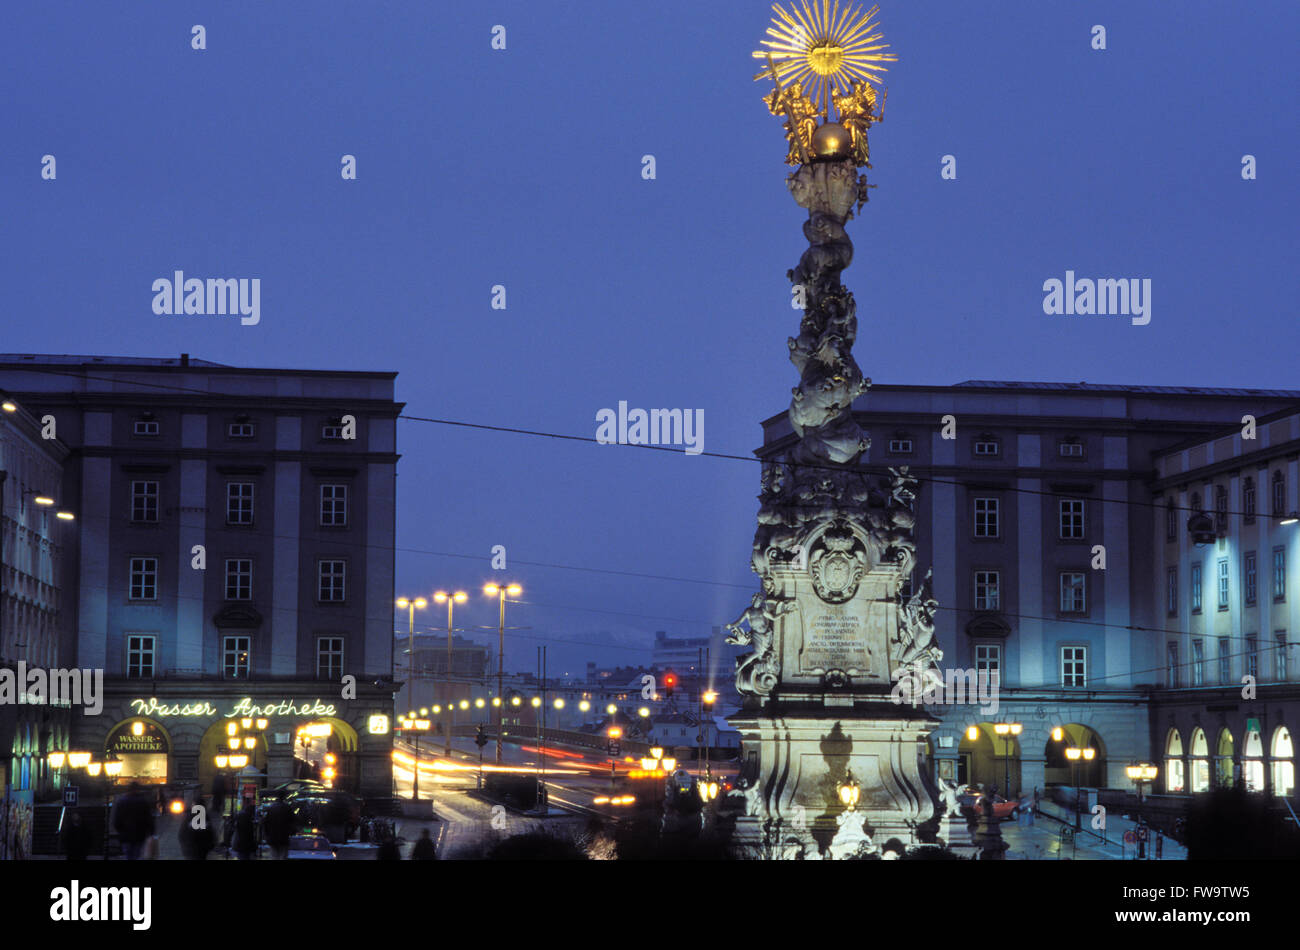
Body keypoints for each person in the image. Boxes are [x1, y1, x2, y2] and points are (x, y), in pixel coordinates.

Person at [112, 783, 155, 860]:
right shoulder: (143, 802)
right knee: (136, 854)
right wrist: (151, 832)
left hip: (125, 834)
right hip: (139, 834)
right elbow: (148, 819)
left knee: (128, 854)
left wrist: (119, 830)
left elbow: (117, 820)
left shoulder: (121, 802)